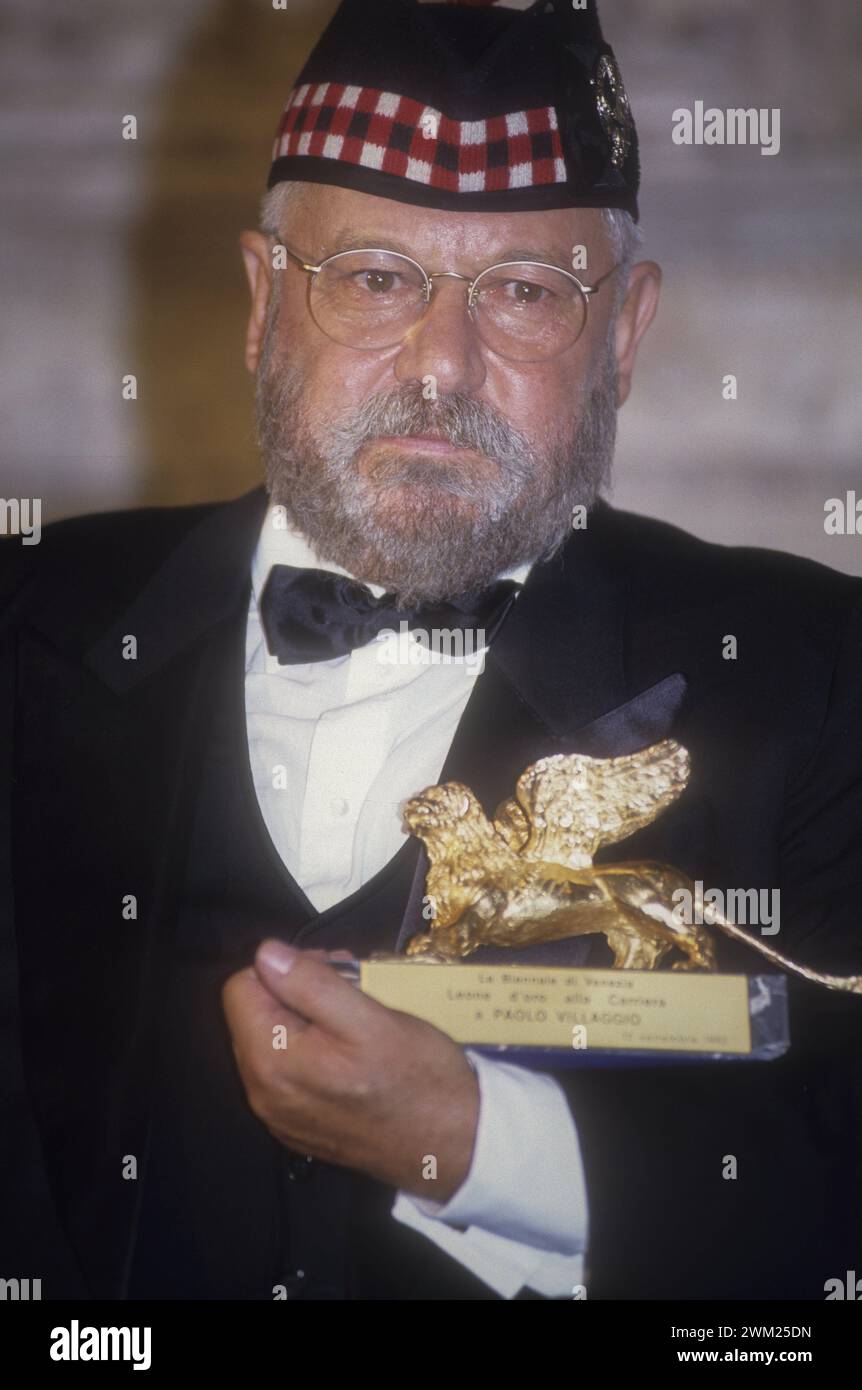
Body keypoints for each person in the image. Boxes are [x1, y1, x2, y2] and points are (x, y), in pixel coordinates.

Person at [1, 0, 860, 1302]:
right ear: (258, 301)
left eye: (522, 291)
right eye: (373, 279)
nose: (438, 364)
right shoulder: (22, 631)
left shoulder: (817, 680)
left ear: (621, 334)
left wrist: (476, 1143)